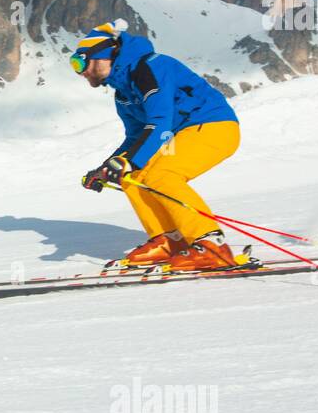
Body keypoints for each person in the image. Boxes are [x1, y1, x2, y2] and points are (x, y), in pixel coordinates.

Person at [74, 20, 242, 271]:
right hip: (180, 134)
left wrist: (127, 160)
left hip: (213, 125)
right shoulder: (123, 93)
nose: (80, 71)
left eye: (80, 62)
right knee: (132, 176)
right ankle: (170, 240)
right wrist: (107, 168)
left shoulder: (151, 67)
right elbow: (135, 138)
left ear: (102, 55)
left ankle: (212, 245)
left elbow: (160, 121)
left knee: (163, 175)